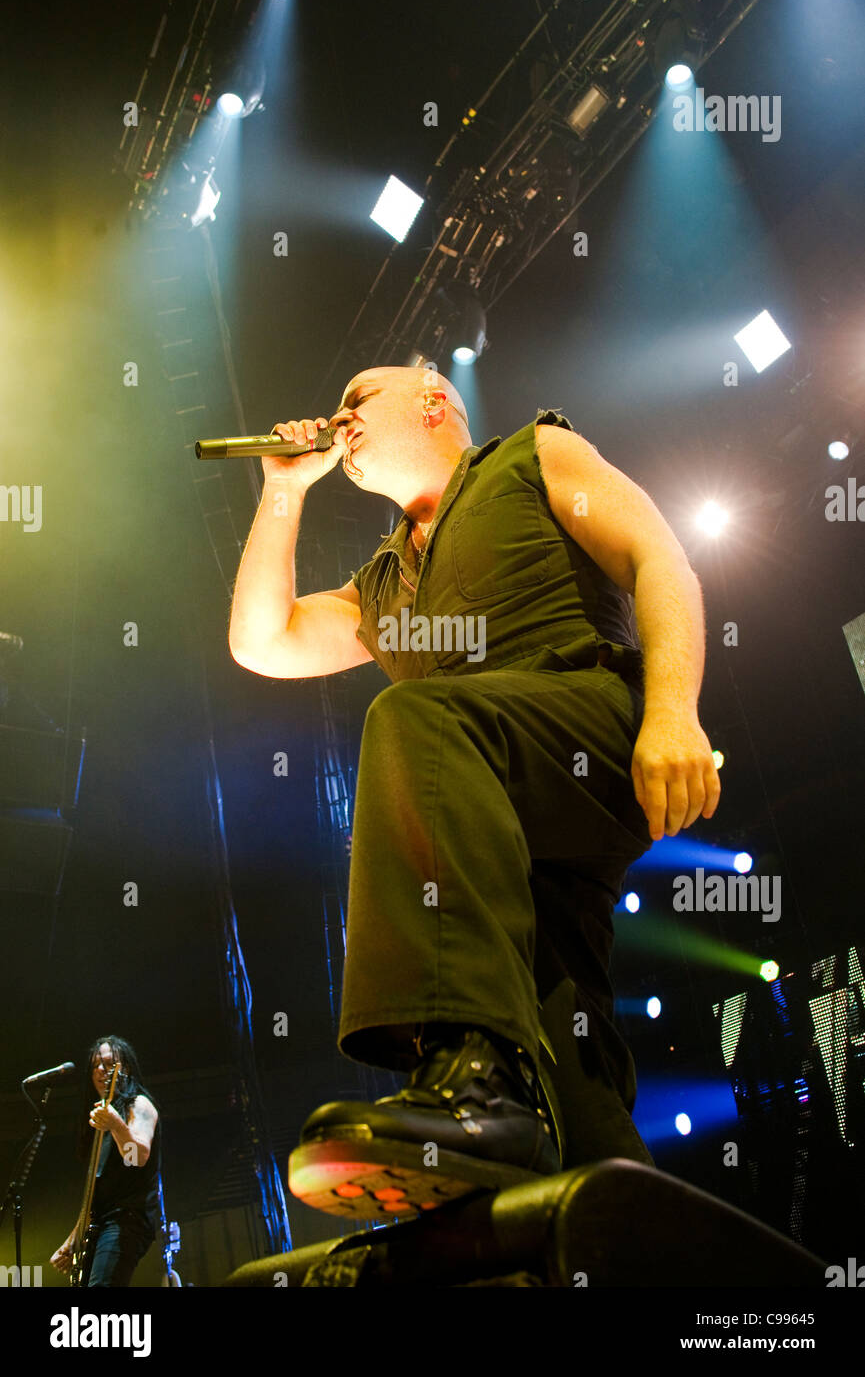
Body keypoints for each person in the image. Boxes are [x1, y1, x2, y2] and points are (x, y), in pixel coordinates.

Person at [228, 365, 721, 1218]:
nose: (339, 425)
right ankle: (611, 1225)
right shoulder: (380, 584)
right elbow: (262, 642)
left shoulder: (533, 456)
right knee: (562, 1037)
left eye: (356, 403)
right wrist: (283, 492)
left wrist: (672, 712)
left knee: (414, 720)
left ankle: (468, 1080)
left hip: (586, 731)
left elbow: (657, 557)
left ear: (432, 401)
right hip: (491, 822)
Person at [50, 1036, 160, 1286]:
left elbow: (136, 1158)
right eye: (95, 1066)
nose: (100, 1070)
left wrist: (116, 1125)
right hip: (101, 1223)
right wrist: (73, 1240)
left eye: (109, 1064)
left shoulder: (139, 1105)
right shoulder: (99, 1123)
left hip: (127, 1219)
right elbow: (96, 1195)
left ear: (125, 1069)